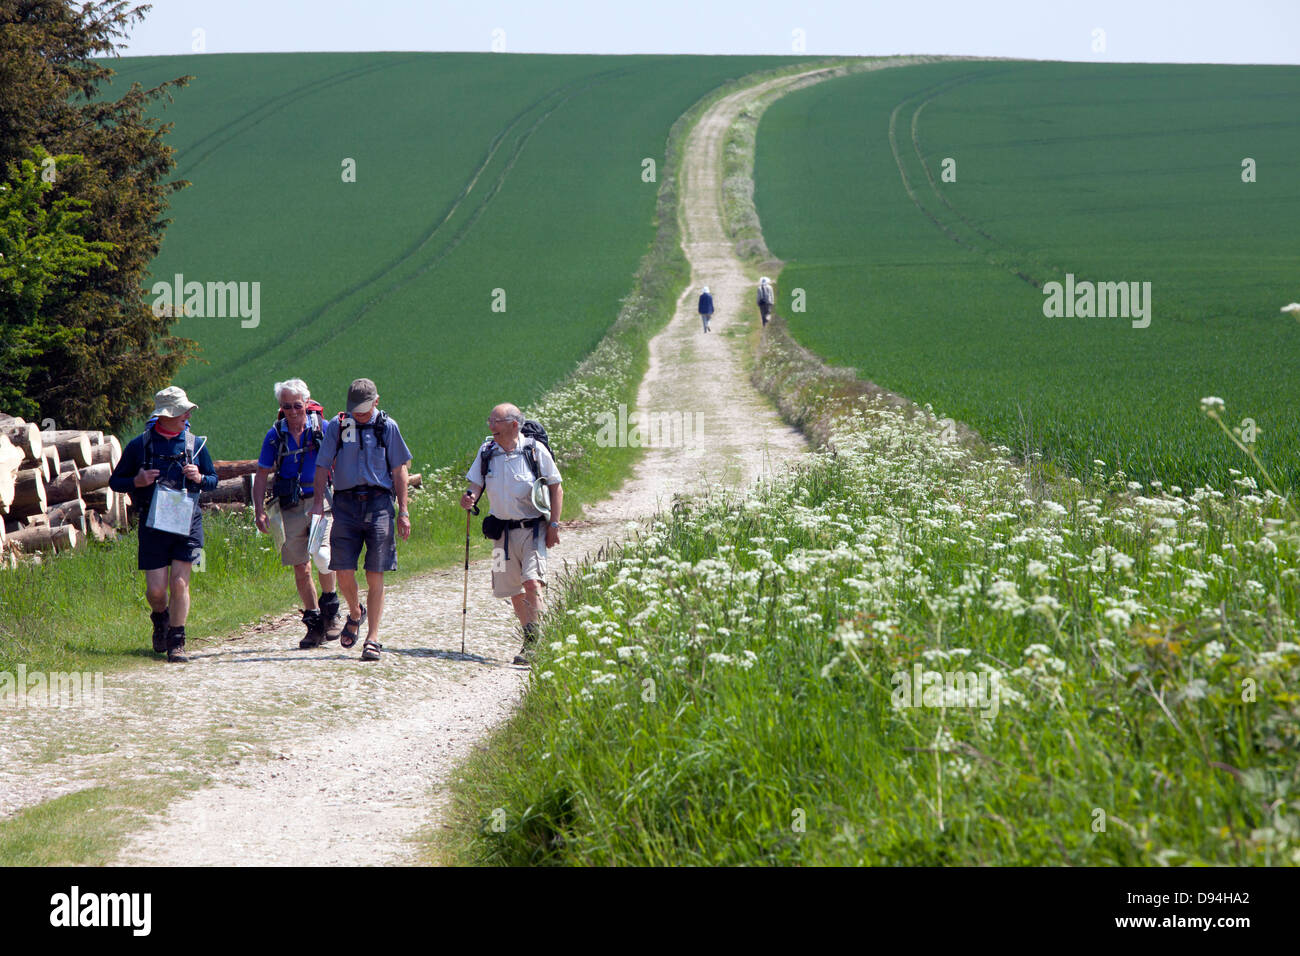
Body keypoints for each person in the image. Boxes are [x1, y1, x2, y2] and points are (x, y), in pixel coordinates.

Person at [108, 386, 218, 663]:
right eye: (182, 410)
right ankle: (161, 620)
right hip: (153, 523)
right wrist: (137, 481)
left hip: (188, 521)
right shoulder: (139, 446)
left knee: (180, 583)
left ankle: (177, 641)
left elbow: (213, 480)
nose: (188, 414)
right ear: (165, 415)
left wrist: (199, 478)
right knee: (156, 591)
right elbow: (114, 482)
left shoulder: (196, 444)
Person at [310, 378, 412, 662]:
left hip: (379, 505)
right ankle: (356, 612)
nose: (360, 413)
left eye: (365, 409)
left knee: (374, 573)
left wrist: (403, 511)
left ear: (376, 402)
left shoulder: (387, 427)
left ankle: (373, 638)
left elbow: (399, 470)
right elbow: (321, 466)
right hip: (344, 505)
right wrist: (318, 502)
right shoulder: (338, 426)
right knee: (342, 570)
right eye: (355, 408)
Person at [459, 404, 563, 666]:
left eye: (496, 421)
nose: (491, 426)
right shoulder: (487, 452)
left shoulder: (534, 451)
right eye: (490, 420)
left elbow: (556, 487)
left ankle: (534, 643)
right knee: (512, 588)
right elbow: (476, 483)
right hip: (500, 534)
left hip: (534, 529)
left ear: (514, 425)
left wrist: (554, 525)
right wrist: (470, 497)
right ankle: (530, 634)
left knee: (532, 582)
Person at [253, 378, 341, 649]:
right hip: (290, 505)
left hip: (320, 501)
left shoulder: (322, 429)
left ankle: (332, 610)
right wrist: (258, 511)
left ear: (306, 404)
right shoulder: (275, 435)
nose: (292, 411)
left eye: (297, 406)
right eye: (286, 406)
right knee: (301, 567)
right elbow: (261, 474)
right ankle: (314, 623)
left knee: (323, 556)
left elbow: (341, 462)